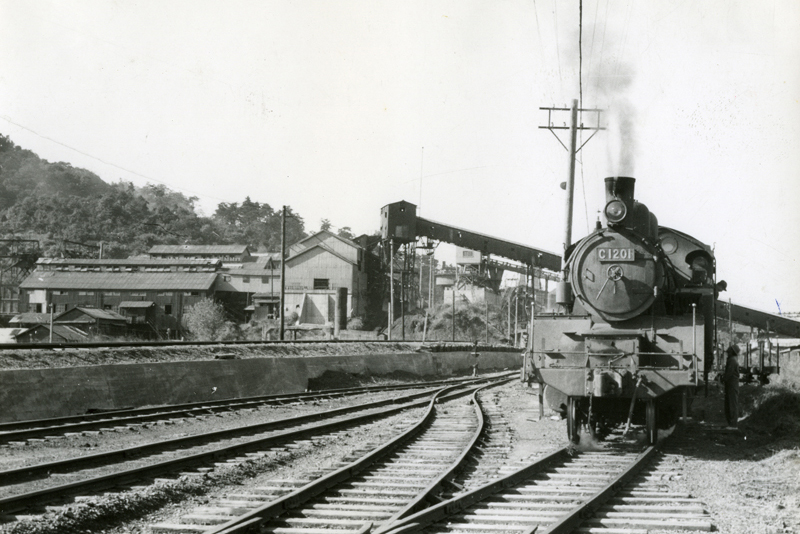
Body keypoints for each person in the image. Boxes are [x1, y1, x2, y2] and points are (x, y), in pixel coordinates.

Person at [723, 344, 741, 428]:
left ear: (732, 352)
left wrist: (722, 380)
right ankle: (731, 424)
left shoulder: (732, 360)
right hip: (731, 384)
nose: (727, 352)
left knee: (732, 404)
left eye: (729, 350)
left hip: (732, 385)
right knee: (730, 403)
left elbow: (728, 374)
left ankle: (733, 425)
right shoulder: (732, 359)